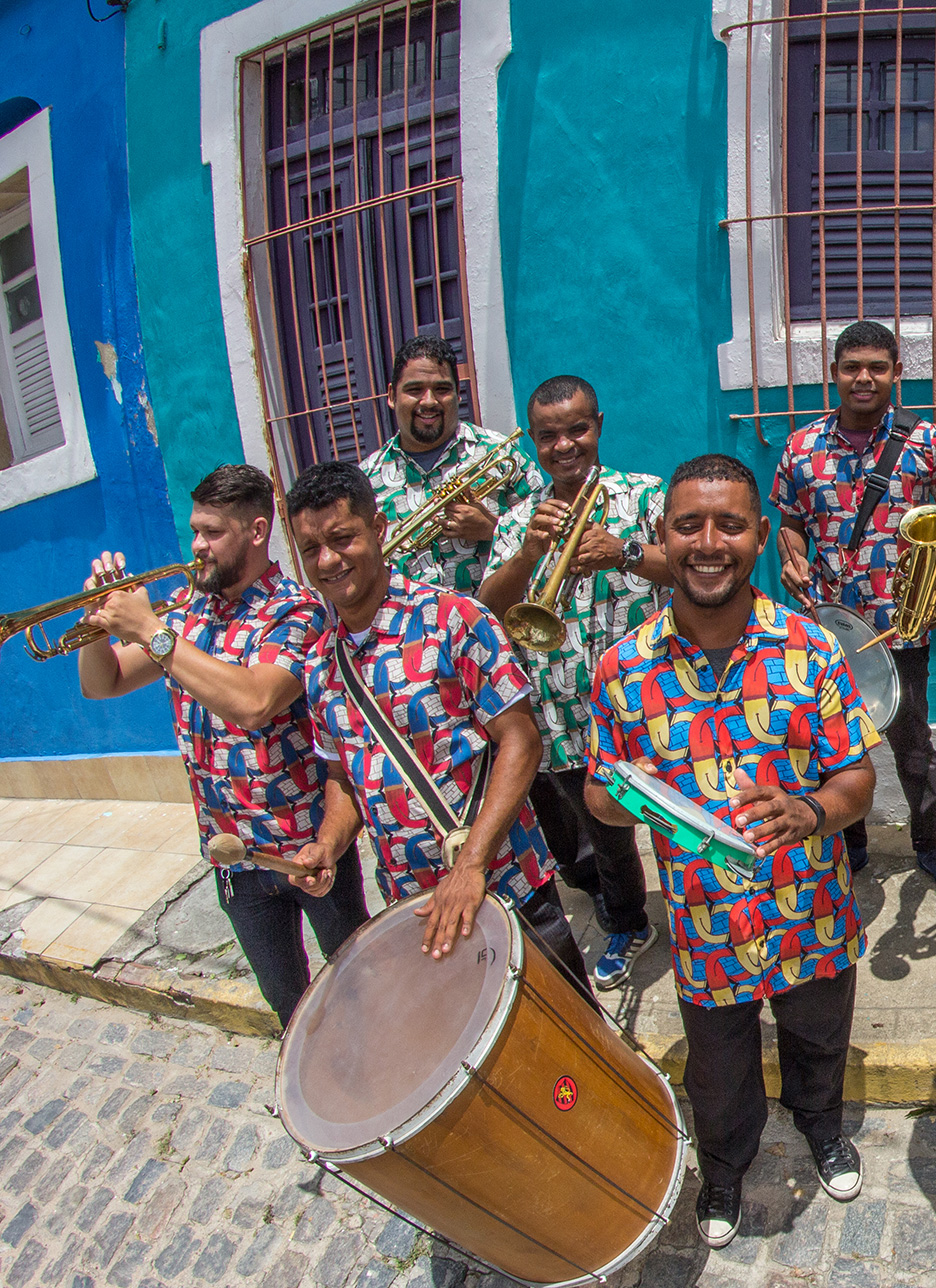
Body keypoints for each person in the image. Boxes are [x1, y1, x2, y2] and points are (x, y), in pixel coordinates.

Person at [585, 455, 880, 1248]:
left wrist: (812, 808)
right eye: (689, 525)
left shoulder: (811, 650)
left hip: (810, 916)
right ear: (663, 537)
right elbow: (598, 794)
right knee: (717, 1074)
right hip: (705, 928)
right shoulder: (620, 668)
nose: (708, 542)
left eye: (729, 524)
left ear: (758, 537)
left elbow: (859, 776)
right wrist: (631, 797)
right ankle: (724, 1165)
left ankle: (821, 1126)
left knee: (820, 1041)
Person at [281, 460, 589, 994]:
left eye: (342, 538)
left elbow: (521, 739)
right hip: (418, 909)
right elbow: (343, 775)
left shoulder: (452, 618)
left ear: (378, 532)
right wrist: (327, 844)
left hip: (508, 885)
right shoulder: (318, 666)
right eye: (311, 549)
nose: (328, 560)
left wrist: (470, 867)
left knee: (576, 1047)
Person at [74, 465, 367, 1025]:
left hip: (306, 850)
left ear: (257, 532)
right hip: (233, 858)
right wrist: (98, 629)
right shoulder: (186, 611)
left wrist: (152, 633)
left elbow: (254, 702)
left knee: (356, 982)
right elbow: (102, 682)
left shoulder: (296, 610)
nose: (197, 547)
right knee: (290, 1003)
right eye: (195, 531)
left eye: (212, 533)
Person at [479, 376, 671, 992]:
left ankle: (698, 915)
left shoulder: (645, 495)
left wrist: (626, 552)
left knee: (674, 819)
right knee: (603, 830)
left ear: (599, 424)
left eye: (576, 429)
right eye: (548, 436)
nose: (564, 445)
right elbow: (487, 609)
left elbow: (690, 571)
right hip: (559, 707)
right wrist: (526, 555)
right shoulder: (517, 519)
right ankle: (627, 921)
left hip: (645, 702)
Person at [771, 320, 936, 899]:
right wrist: (791, 559)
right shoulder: (799, 448)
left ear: (896, 373)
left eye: (877, 367)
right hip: (823, 630)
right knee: (831, 744)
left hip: (899, 628)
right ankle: (847, 844)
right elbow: (790, 525)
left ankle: (930, 844)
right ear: (833, 373)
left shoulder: (930, 444)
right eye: (852, 366)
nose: (864, 378)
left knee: (912, 745)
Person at [360, 335, 548, 592]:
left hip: (498, 623)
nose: (429, 401)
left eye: (442, 389)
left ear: (457, 394)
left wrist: (492, 529)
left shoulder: (502, 454)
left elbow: (550, 544)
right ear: (392, 395)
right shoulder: (366, 480)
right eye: (415, 390)